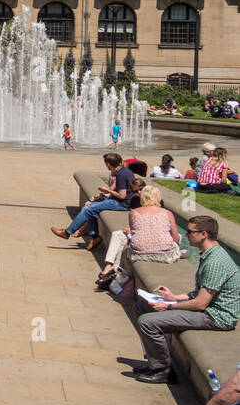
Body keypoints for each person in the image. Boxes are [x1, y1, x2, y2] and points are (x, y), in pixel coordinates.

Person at [131, 215, 239, 383]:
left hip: (215, 317)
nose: (186, 235)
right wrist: (173, 297)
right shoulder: (210, 254)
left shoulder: (215, 262)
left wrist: (169, 307)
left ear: (203, 234)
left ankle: (163, 370)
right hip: (208, 310)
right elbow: (199, 293)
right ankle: (154, 362)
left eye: (190, 231)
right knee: (142, 306)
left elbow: (201, 303)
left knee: (147, 322)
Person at [94, 185, 182, 291]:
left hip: (140, 252)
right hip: (164, 253)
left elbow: (133, 233)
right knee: (179, 237)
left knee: (125, 243)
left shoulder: (133, 213)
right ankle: (112, 271)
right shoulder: (167, 213)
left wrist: (129, 233)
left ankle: (113, 271)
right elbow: (176, 238)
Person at [51, 153, 134, 251]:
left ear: (108, 164)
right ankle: (95, 237)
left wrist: (107, 191)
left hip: (121, 204)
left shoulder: (120, 175)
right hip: (121, 201)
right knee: (91, 207)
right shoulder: (126, 171)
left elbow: (122, 195)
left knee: (88, 208)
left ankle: (67, 233)